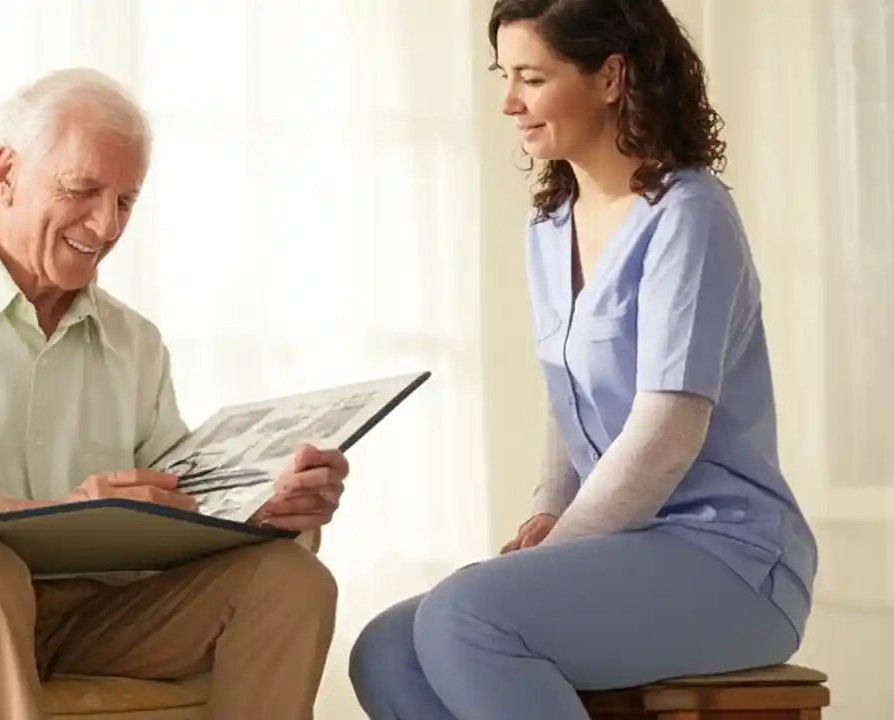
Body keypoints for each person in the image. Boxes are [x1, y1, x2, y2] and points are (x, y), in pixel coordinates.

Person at [0, 68, 348, 720]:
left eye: (126, 202)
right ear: (5, 174)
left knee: (290, 581)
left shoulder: (134, 342)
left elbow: (181, 499)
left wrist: (265, 507)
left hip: (88, 611)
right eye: (83, 189)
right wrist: (52, 510)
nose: (106, 226)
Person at [348, 1, 817, 718]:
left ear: (611, 78)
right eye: (504, 76)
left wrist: (555, 552)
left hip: (732, 561)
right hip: (626, 547)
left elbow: (666, 433)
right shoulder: (549, 226)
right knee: (385, 646)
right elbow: (562, 397)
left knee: (465, 616)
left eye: (531, 77)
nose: (508, 102)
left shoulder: (688, 216)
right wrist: (549, 512)